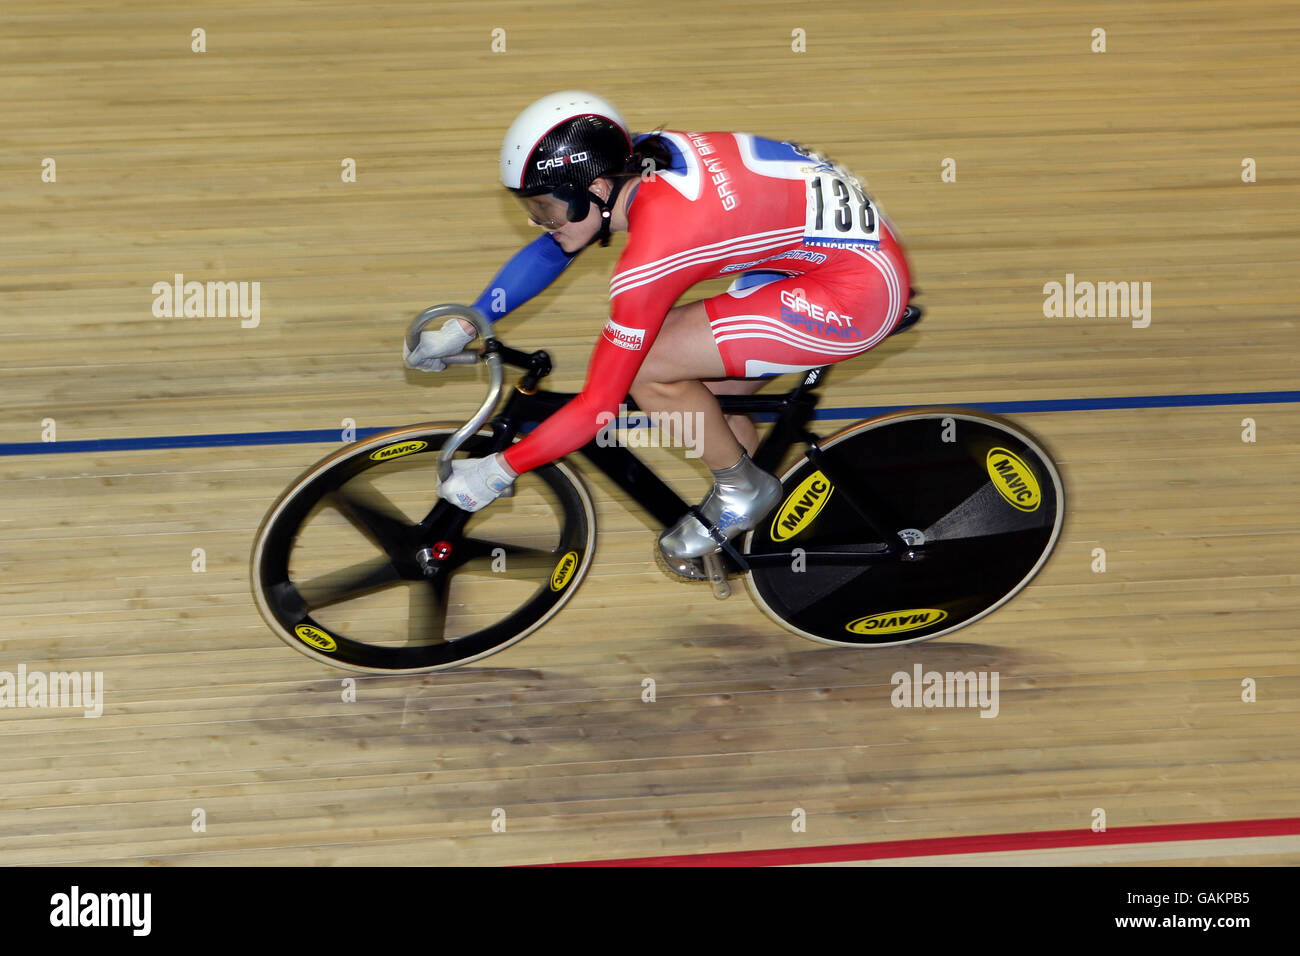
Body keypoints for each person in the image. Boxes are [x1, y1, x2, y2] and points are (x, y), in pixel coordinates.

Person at [405, 90, 912, 574]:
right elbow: (556, 246)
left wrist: (500, 470)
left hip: (855, 293)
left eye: (545, 209)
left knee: (649, 368)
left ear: (597, 192)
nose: (539, 223)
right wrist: (470, 319)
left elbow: (597, 407)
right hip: (814, 254)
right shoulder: (632, 159)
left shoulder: (657, 250)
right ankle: (761, 514)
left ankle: (743, 492)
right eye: (531, 210)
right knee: (700, 399)